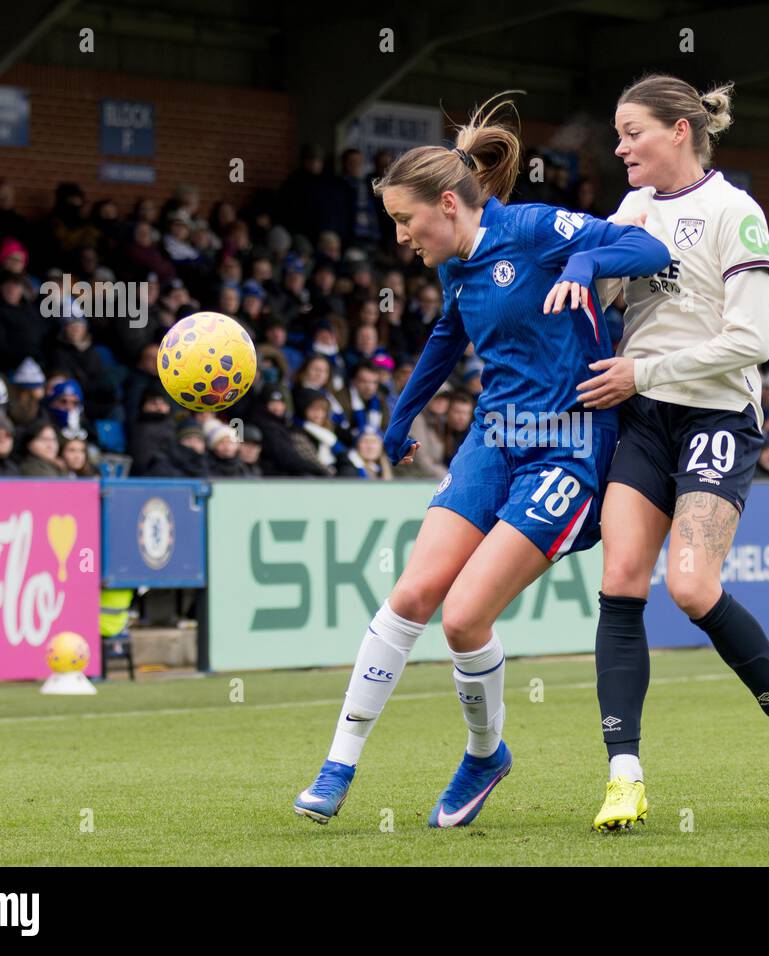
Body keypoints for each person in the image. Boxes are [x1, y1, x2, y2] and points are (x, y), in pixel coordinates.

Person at [293, 92, 670, 829]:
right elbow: (446, 335)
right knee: (412, 595)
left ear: (447, 204)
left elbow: (650, 252)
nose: (400, 235)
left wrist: (586, 257)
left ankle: (483, 754)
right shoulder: (456, 265)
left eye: (405, 219)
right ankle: (338, 764)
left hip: (567, 447)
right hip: (494, 440)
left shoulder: (532, 228)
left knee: (464, 621)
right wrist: (403, 413)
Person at [574, 74, 769, 829]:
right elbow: (608, 297)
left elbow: (753, 340)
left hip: (718, 415)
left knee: (689, 586)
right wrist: (581, 277)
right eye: (618, 135)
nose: (620, 148)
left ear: (679, 131)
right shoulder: (632, 209)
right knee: (621, 578)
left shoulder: (735, 212)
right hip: (645, 420)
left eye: (632, 133)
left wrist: (641, 369)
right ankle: (624, 775)